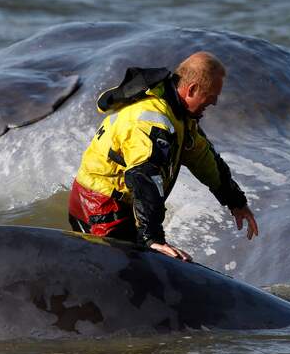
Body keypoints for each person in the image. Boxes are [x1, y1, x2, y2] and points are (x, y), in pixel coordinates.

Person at [68, 51, 258, 261]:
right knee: (125, 270)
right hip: (99, 204)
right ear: (192, 89)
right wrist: (153, 239)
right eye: (211, 96)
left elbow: (204, 159)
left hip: (121, 202)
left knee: (142, 266)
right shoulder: (152, 121)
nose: (213, 103)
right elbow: (145, 177)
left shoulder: (180, 115)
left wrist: (235, 200)